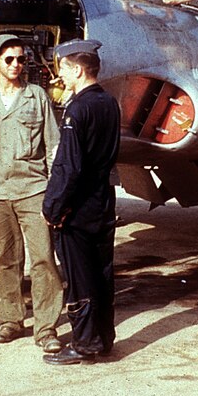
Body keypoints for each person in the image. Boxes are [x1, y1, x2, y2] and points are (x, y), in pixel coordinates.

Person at [0, 34, 64, 351]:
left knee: (44, 259)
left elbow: (53, 146)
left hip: (33, 188)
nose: (16, 65)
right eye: (9, 59)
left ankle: (46, 329)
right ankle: (9, 320)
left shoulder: (37, 97)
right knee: (2, 260)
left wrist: (54, 191)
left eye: (21, 59)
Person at [42, 39, 121, 366]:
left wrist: (53, 208)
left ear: (77, 69)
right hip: (103, 200)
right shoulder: (110, 103)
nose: (61, 74)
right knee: (102, 273)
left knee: (80, 276)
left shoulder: (78, 108)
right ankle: (103, 338)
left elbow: (69, 167)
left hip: (78, 206)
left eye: (63, 67)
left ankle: (85, 343)